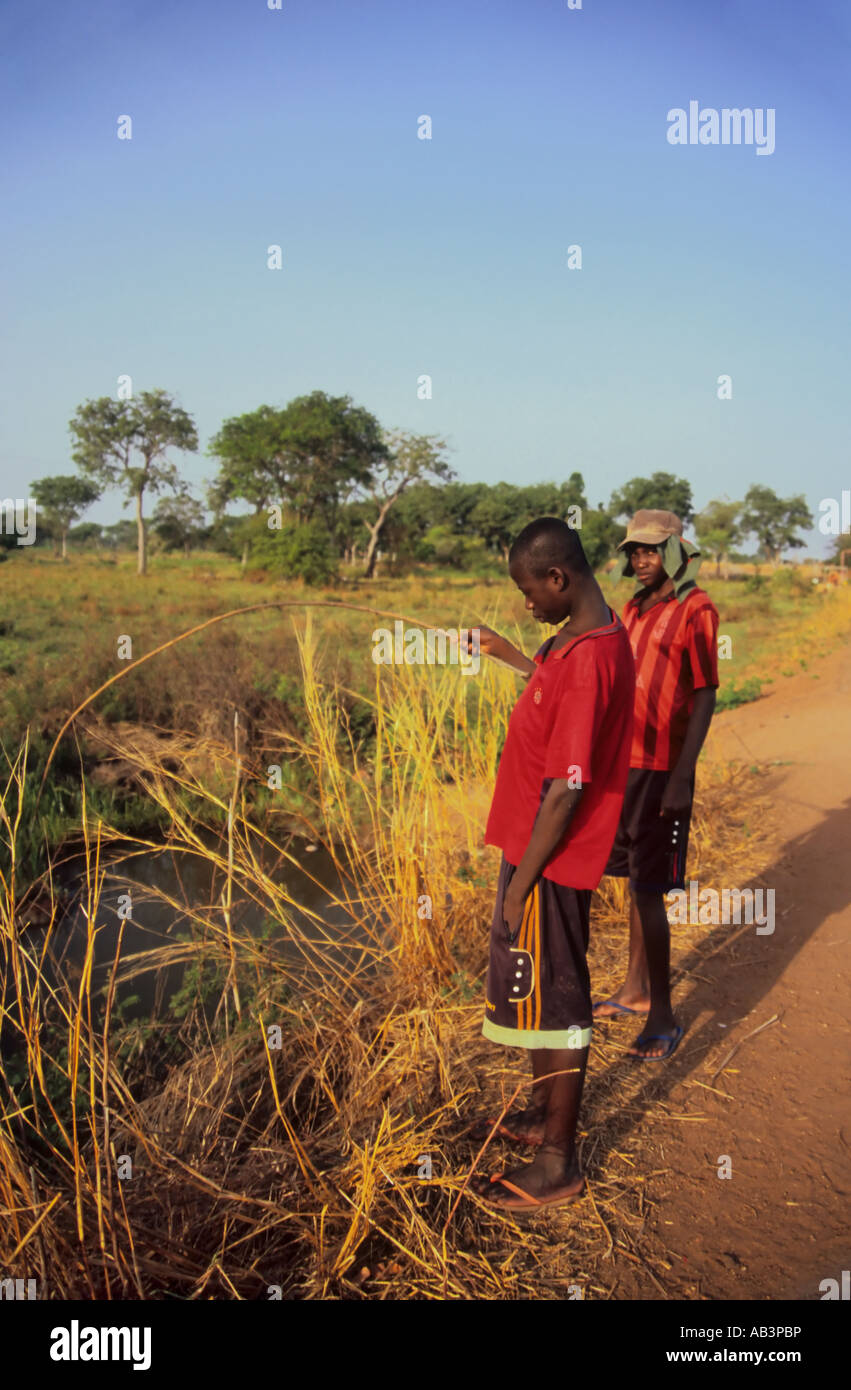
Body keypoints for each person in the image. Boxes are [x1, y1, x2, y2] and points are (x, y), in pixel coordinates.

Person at [466, 517, 635, 1210]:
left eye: (528, 589)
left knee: (560, 997)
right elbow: (559, 697)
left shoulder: (593, 655)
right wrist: (511, 654)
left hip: (554, 855)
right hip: (531, 843)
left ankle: (559, 1163)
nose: (525, 601)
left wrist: (523, 884)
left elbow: (567, 786)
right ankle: (542, 1121)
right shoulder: (577, 638)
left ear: (558, 578)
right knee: (537, 989)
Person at [593, 509, 719, 1060]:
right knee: (635, 883)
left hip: (663, 771)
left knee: (650, 893)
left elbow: (706, 692)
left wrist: (682, 777)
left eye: (649, 550)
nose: (639, 560)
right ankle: (636, 990)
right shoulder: (632, 610)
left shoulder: (696, 608)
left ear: (673, 551)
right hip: (626, 765)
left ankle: (664, 1018)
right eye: (634, 552)